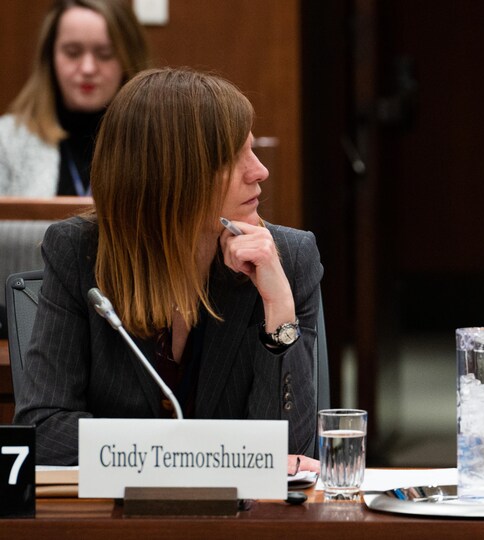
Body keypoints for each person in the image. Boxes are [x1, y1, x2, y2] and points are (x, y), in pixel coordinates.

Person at [13, 67, 323, 466]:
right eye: (234, 157)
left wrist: (278, 303)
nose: (259, 171)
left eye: (253, 150)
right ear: (171, 175)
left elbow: (291, 454)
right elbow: (45, 430)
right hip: (119, 522)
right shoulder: (78, 252)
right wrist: (200, 452)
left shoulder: (285, 258)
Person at [0, 0, 149, 197]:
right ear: (50, 58)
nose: (88, 68)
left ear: (129, 58)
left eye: (105, 54)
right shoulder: (8, 139)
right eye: (73, 53)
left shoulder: (151, 140)